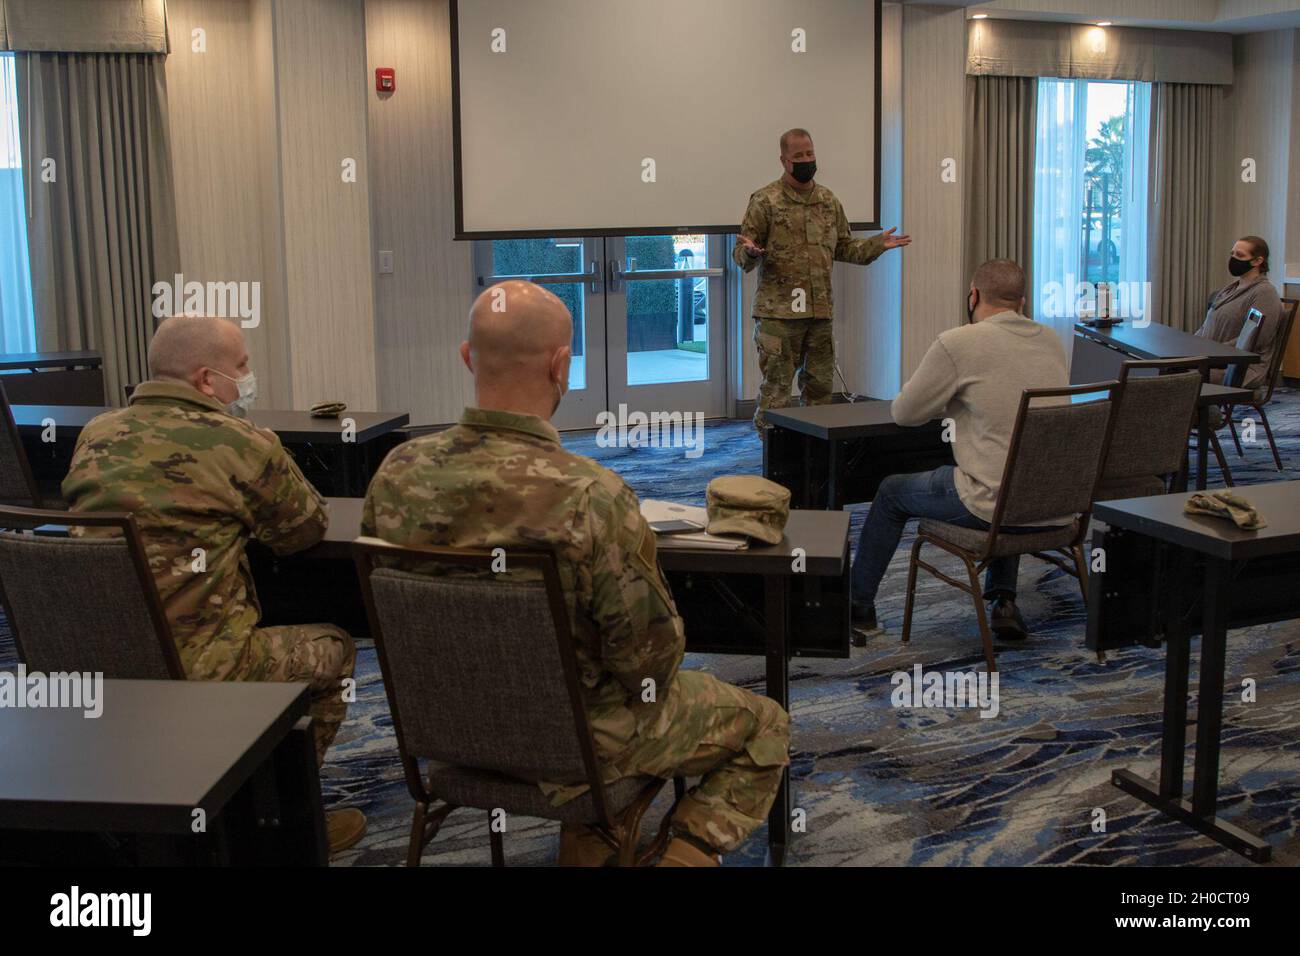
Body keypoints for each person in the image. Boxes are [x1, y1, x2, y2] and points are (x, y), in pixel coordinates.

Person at [362, 280, 790, 867]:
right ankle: (682, 854)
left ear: (467, 357)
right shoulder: (591, 494)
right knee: (766, 721)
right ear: (562, 365)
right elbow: (648, 662)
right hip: (580, 750)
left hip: (443, 736)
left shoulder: (394, 473)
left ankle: (592, 838)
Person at [62, 315, 363, 853]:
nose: (248, 377)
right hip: (202, 669)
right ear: (206, 380)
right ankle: (285, 823)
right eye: (242, 366)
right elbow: (302, 531)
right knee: (335, 648)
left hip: (97, 661)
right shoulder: (242, 442)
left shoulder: (96, 435)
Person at [849, 260, 1070, 641]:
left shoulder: (959, 342)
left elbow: (905, 413)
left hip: (992, 505)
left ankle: (858, 609)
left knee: (890, 493)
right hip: (1056, 503)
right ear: (1022, 301)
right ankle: (1003, 601)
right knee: (1013, 462)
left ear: (974, 295)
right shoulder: (1052, 339)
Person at [735, 127, 911, 434]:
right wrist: (750, 253)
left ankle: (812, 459)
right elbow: (741, 255)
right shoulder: (765, 201)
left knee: (820, 393)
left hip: (819, 314)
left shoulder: (828, 201)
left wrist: (876, 245)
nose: (806, 160)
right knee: (776, 392)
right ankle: (771, 458)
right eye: (798, 156)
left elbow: (844, 248)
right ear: (783, 160)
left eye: (810, 154)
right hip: (778, 316)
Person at [1196, 235, 1283, 390]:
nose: (1234, 259)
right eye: (1233, 254)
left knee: (1178, 377)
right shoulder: (1230, 288)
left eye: (1240, 255)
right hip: (1211, 359)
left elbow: (1255, 338)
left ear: (1257, 261)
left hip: (1238, 368)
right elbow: (1206, 325)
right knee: (1171, 369)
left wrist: (1212, 351)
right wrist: (1192, 345)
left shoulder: (1264, 293)